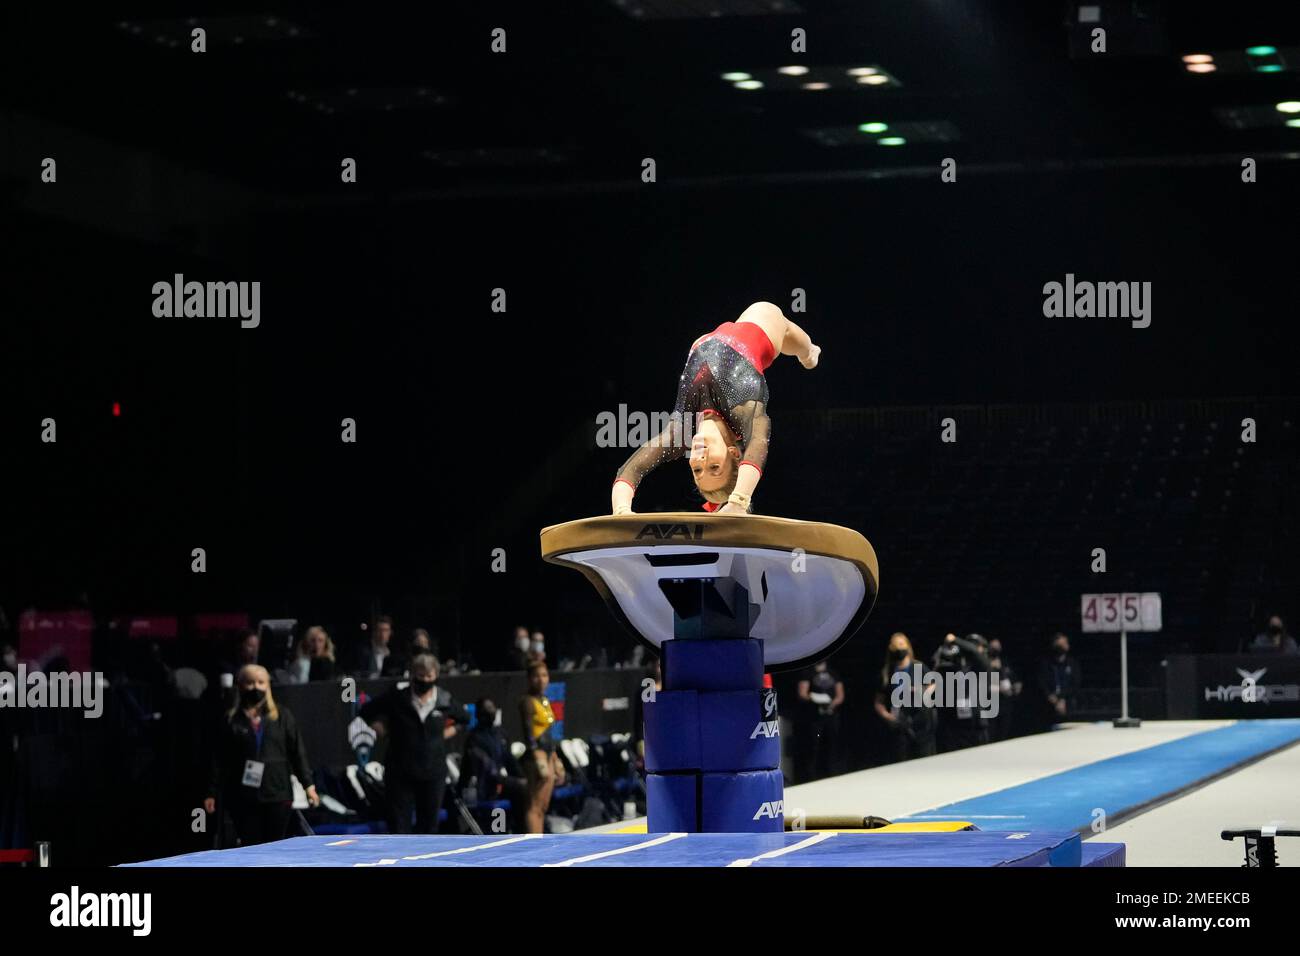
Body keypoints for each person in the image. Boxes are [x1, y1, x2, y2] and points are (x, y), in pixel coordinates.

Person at [610, 301, 820, 515]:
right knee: (798, 343)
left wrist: (621, 510)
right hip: (759, 330)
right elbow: (758, 443)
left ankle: (808, 352)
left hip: (705, 344)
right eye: (714, 467)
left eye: (697, 470)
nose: (701, 461)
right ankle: (810, 352)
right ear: (734, 454)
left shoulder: (680, 432)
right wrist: (738, 502)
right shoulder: (743, 410)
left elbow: (632, 468)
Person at [205, 665, 319, 846]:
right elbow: (219, 759)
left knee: (275, 845)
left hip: (277, 792)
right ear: (240, 685)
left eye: (260, 682)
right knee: (250, 845)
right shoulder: (230, 719)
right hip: (243, 795)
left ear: (268, 685)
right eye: (250, 683)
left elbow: (297, 752)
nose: (255, 687)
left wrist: (308, 785)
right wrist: (211, 792)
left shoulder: (282, 716)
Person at [356, 654, 468, 834]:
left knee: (429, 828)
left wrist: (446, 732)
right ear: (412, 676)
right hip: (400, 773)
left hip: (433, 772)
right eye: (420, 676)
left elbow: (464, 718)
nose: (424, 680)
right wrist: (378, 727)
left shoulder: (444, 700)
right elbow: (366, 711)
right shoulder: (397, 697)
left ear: (436, 676)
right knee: (400, 828)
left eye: (429, 676)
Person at [460, 698, 527, 829]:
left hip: (501, 782)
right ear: (479, 714)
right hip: (485, 786)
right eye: (487, 709)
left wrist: (522, 777)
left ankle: (522, 830)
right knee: (519, 788)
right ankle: (520, 831)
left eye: (492, 708)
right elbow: (487, 769)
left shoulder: (501, 733)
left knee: (526, 786)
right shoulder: (474, 738)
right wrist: (513, 782)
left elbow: (510, 760)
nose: (491, 712)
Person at [518, 660, 566, 833]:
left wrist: (554, 757)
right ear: (530, 679)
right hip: (536, 758)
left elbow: (549, 733)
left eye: (544, 675)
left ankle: (538, 839)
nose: (541, 679)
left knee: (544, 805)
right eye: (537, 676)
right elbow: (529, 733)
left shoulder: (544, 700)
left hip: (548, 754)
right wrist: (538, 756)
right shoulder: (527, 701)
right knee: (535, 805)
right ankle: (533, 842)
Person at [874, 632, 936, 761]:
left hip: (921, 721)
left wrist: (921, 691)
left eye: (901, 644)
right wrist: (887, 716)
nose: (899, 649)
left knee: (924, 758)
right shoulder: (888, 672)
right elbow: (879, 701)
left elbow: (933, 684)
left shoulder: (918, 666)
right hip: (899, 723)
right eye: (896, 646)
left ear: (907, 646)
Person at [931, 633, 991, 753]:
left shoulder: (981, 666)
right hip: (956, 724)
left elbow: (975, 654)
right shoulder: (957, 668)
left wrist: (955, 640)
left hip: (976, 724)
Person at [795, 659, 845, 781]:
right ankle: (812, 776)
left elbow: (840, 694)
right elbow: (802, 693)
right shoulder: (808, 673)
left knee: (832, 745)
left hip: (831, 714)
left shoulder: (833, 673)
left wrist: (831, 704)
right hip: (814, 717)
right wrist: (814, 699)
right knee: (814, 746)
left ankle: (832, 773)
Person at [1039, 632, 1081, 725]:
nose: (1065, 646)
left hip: (1067, 702)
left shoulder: (1072, 663)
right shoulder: (1047, 663)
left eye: (1066, 643)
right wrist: (1050, 696)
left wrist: (1062, 699)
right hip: (1050, 702)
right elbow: (1042, 682)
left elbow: (1075, 683)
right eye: (1061, 644)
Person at [985, 637, 1022, 742]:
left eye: (998, 646)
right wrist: (999, 689)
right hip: (991, 706)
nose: (996, 648)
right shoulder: (984, 664)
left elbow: (1015, 679)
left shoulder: (1005, 662)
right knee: (992, 735)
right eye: (994, 646)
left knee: (1004, 735)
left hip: (1006, 705)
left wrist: (1017, 686)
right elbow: (982, 686)